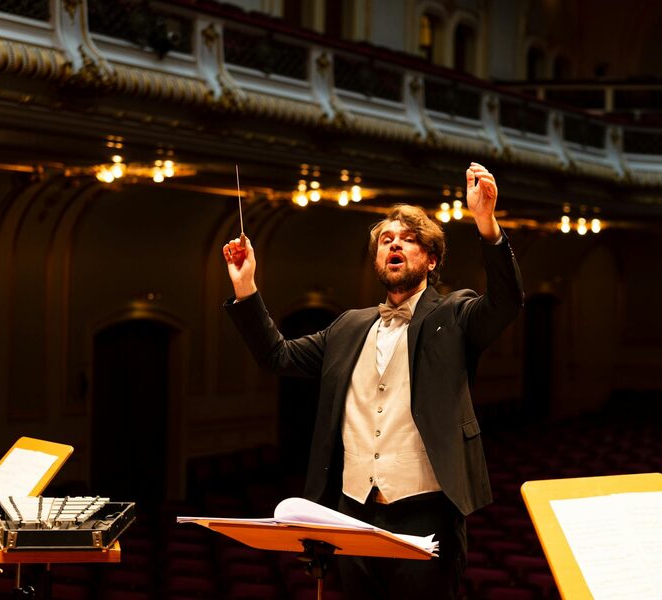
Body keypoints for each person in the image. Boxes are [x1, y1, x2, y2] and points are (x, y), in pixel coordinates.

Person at [222, 162, 523, 599]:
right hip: (351, 512)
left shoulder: (454, 315)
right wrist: (247, 287)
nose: (394, 245)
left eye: (409, 239)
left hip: (426, 513)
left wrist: (486, 223)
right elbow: (277, 355)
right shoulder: (347, 326)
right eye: (386, 240)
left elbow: (506, 303)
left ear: (432, 259)